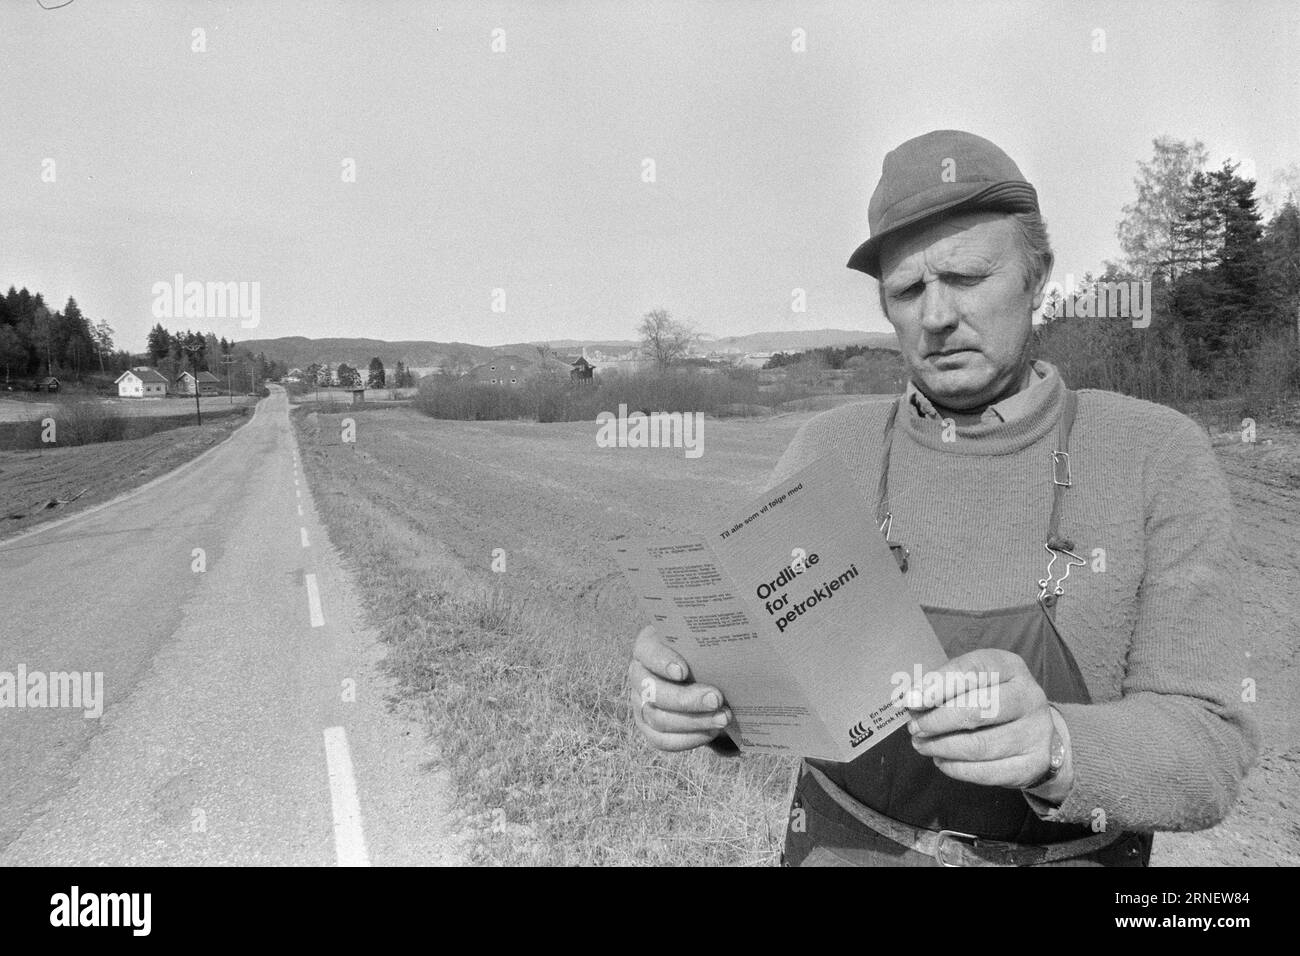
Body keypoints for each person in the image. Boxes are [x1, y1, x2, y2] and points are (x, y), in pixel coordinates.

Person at [627, 129, 1259, 866]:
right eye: (906, 290)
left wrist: (1057, 744)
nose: (935, 317)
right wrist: (692, 700)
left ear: (1037, 276)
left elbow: (1211, 745)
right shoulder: (831, 451)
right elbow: (761, 683)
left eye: (965, 276)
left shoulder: (1154, 454)